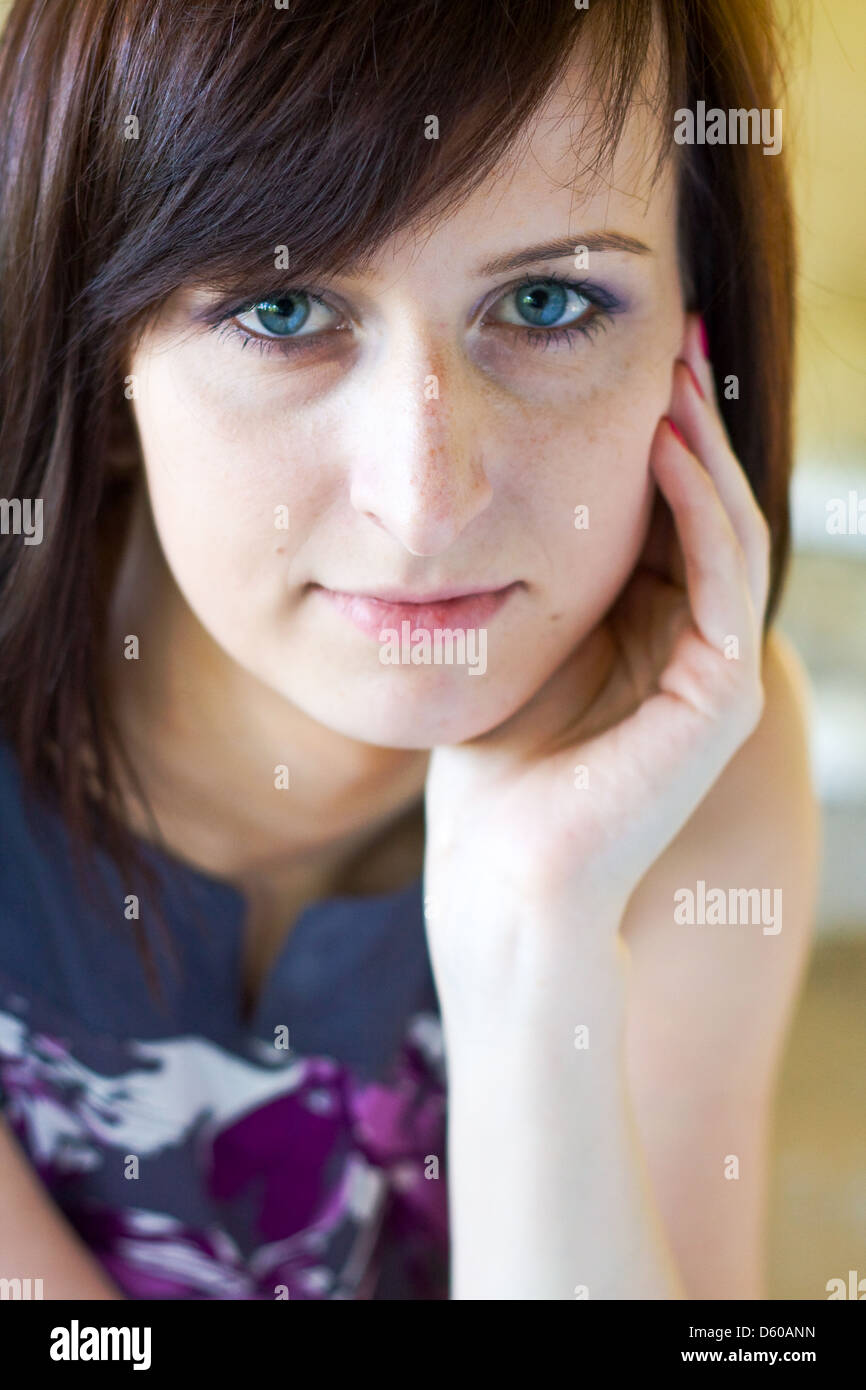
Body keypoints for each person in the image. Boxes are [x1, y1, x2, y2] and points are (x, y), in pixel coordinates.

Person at [0, 0, 819, 1300]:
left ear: (689, 348)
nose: (426, 501)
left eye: (547, 302)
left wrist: (527, 931)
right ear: (105, 372)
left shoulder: (693, 743)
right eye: (279, 312)